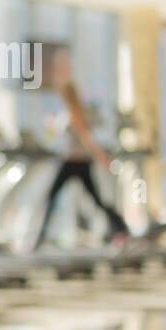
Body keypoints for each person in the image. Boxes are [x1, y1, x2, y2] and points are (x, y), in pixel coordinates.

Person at [33, 45, 129, 249]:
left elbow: (87, 138)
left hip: (74, 161)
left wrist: (102, 157)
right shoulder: (67, 113)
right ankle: (119, 226)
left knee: (53, 196)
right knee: (94, 199)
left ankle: (37, 239)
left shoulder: (75, 115)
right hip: (76, 161)